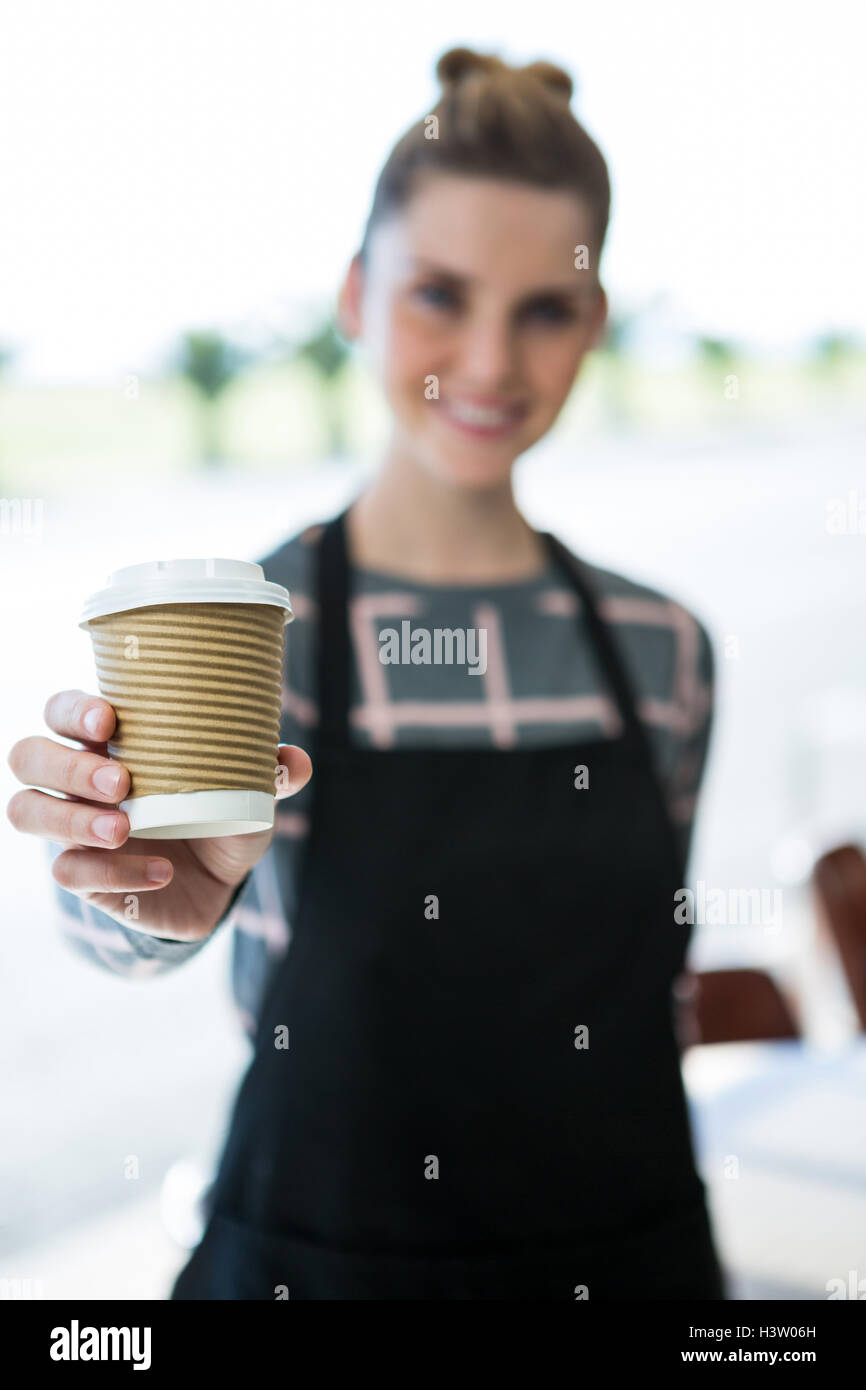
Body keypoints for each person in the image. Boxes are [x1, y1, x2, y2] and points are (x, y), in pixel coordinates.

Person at [6, 46, 725, 1299]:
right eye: (437, 295)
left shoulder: (664, 651)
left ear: (593, 324)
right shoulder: (236, 634)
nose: (489, 363)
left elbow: (647, 990)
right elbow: (119, 930)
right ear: (352, 294)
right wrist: (132, 895)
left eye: (543, 308)